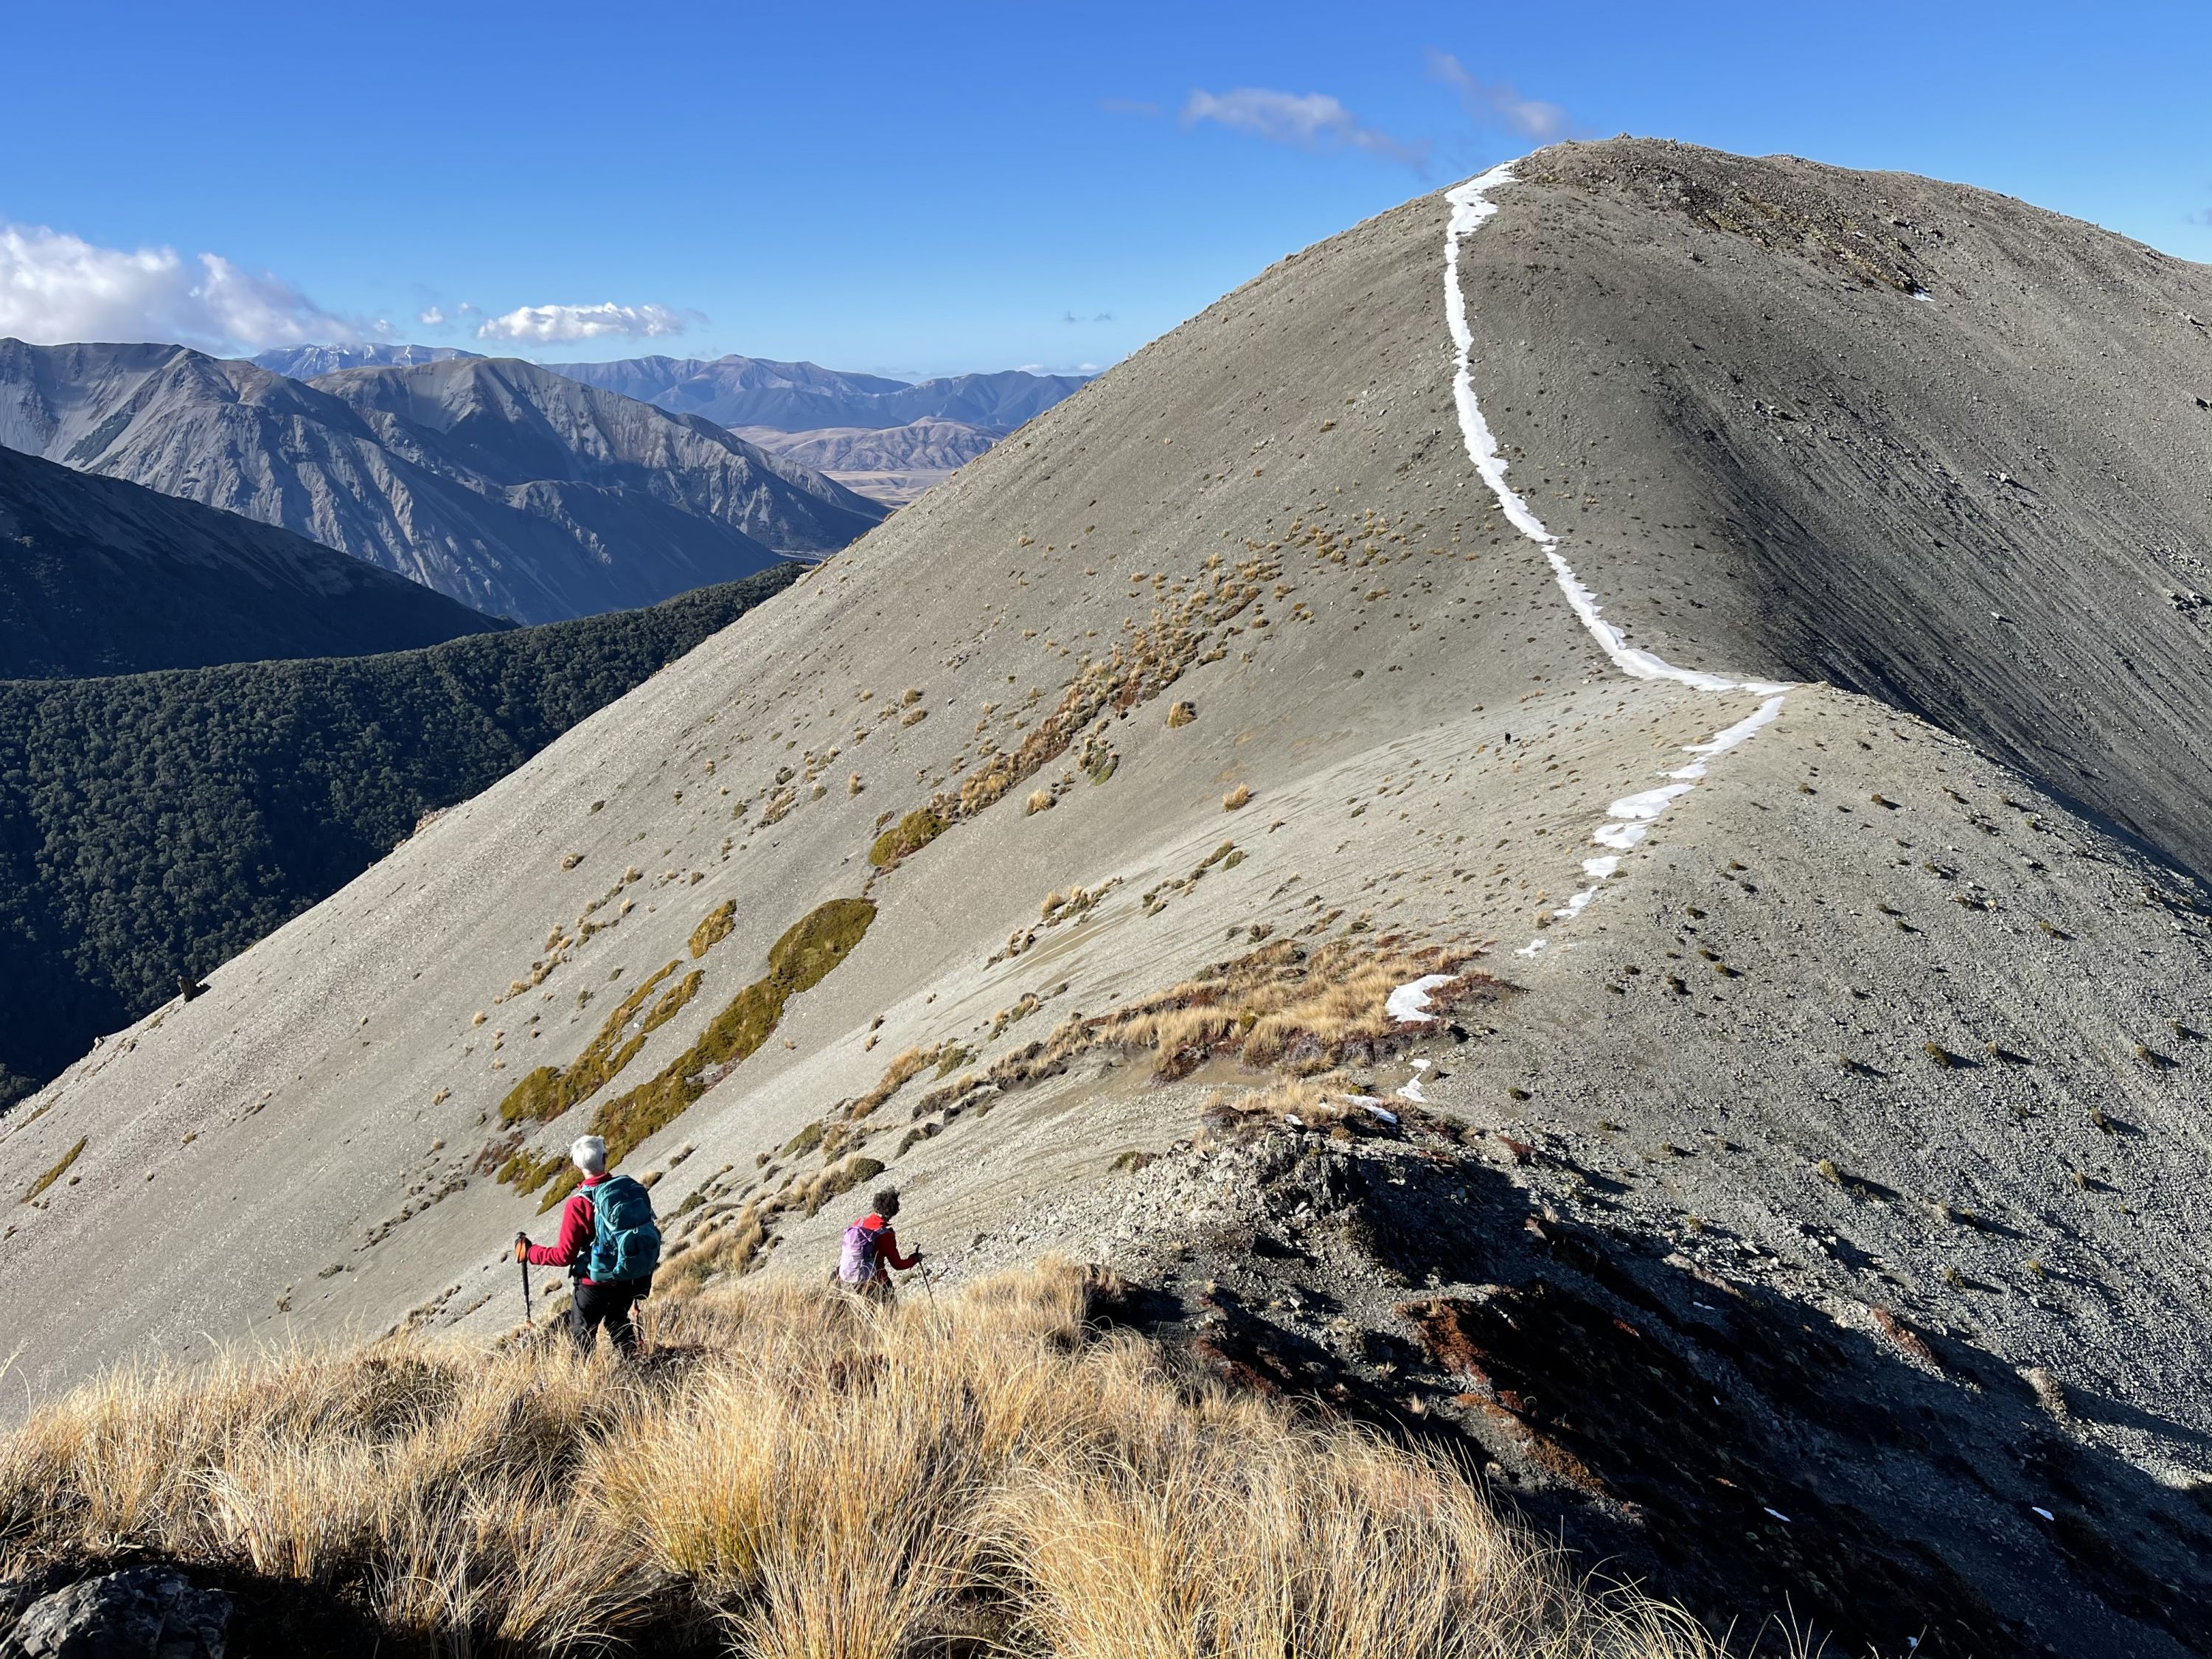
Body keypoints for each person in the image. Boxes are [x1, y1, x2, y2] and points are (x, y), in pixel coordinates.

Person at [515, 1134, 660, 1355]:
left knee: (582, 1333)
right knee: (618, 1321)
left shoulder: (578, 1204)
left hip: (595, 1282)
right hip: (629, 1275)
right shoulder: (628, 1189)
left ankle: (583, 1384)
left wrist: (530, 1252)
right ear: (605, 1157)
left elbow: (564, 1256)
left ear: (576, 1166)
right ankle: (637, 1367)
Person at [837, 1186, 923, 1301]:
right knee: (891, 1315)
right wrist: (914, 1260)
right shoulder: (885, 1235)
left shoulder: (859, 1224)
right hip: (879, 1281)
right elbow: (898, 1265)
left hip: (858, 1281)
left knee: (868, 1316)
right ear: (892, 1212)